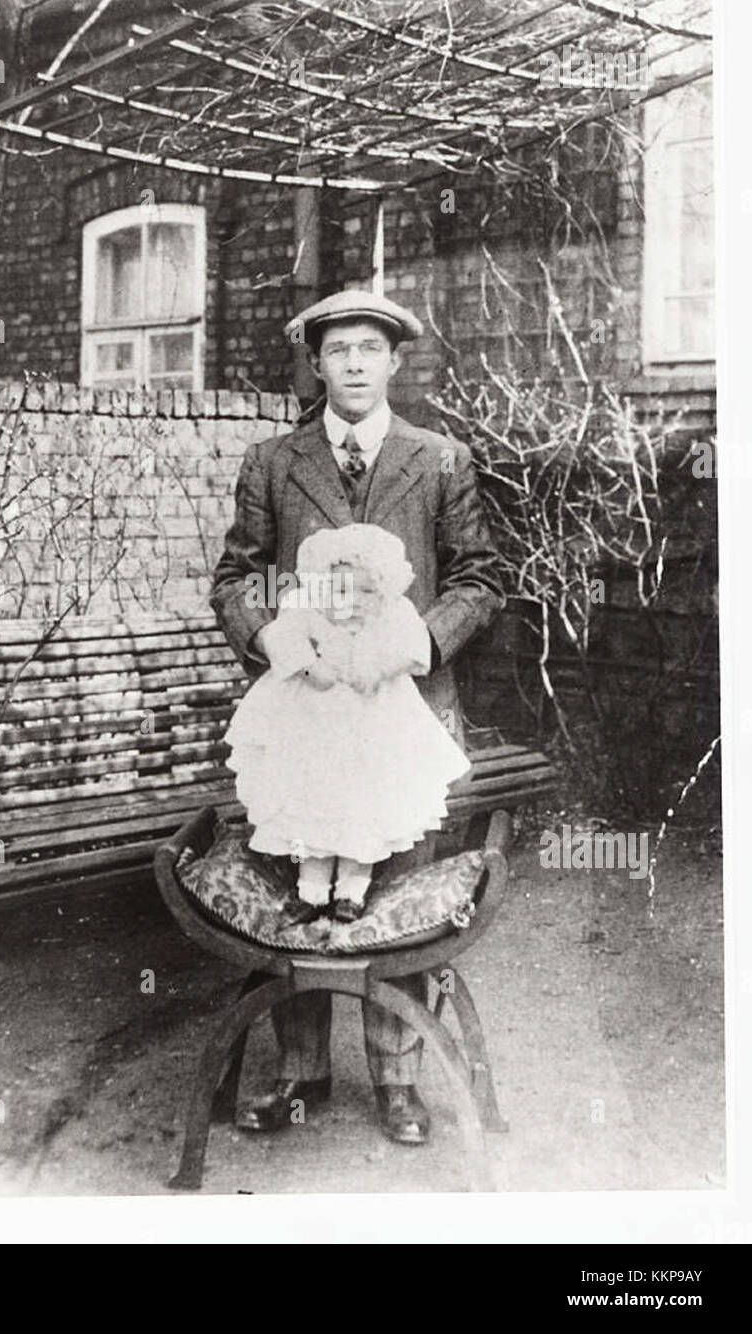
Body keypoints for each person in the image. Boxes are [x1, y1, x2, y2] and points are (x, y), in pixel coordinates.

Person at [211, 289, 504, 1146]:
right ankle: (299, 1071)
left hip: (403, 716)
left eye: (368, 351)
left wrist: (415, 645)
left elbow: (479, 579)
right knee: (302, 887)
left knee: (398, 888)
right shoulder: (272, 462)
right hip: (306, 715)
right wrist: (277, 641)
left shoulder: (439, 459)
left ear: (393, 362)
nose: (352, 365)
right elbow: (237, 579)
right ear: (315, 363)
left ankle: (399, 1080)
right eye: (336, 350)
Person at [223, 522, 471, 924]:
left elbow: (416, 648)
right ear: (321, 587)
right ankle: (312, 891)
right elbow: (283, 639)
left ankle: (351, 893)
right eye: (340, 591)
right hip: (315, 733)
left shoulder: (392, 616)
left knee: (364, 809)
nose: (352, 602)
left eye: (366, 591)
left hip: (371, 738)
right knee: (314, 808)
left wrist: (381, 666)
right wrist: (309, 667)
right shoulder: (306, 611)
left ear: (385, 591)